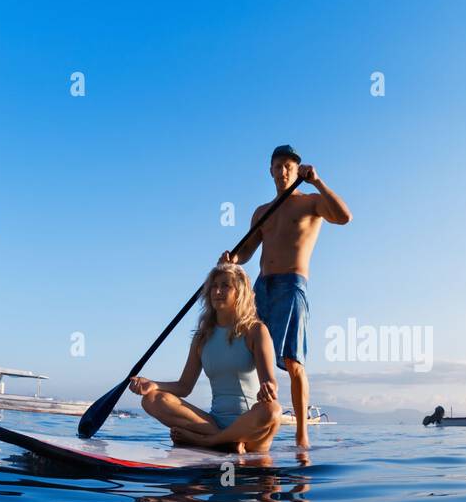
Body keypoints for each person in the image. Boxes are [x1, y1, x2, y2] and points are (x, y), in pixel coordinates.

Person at [222, 144, 352, 448]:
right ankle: (249, 426)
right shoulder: (261, 212)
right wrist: (232, 258)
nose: (283, 172)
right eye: (277, 167)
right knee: (250, 354)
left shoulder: (310, 203)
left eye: (288, 167)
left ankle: (301, 436)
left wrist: (318, 181)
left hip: (292, 285)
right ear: (270, 171)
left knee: (292, 362)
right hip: (261, 288)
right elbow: (247, 251)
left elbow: (344, 217)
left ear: (298, 170)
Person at [129, 263, 280, 453]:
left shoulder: (256, 331)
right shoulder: (202, 337)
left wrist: (269, 389)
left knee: (272, 411)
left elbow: (270, 382)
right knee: (151, 400)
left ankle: (210, 442)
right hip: (212, 423)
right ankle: (223, 440)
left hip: (250, 428)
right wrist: (153, 384)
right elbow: (184, 387)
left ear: (240, 292)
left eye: (226, 285)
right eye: (214, 286)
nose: (217, 290)